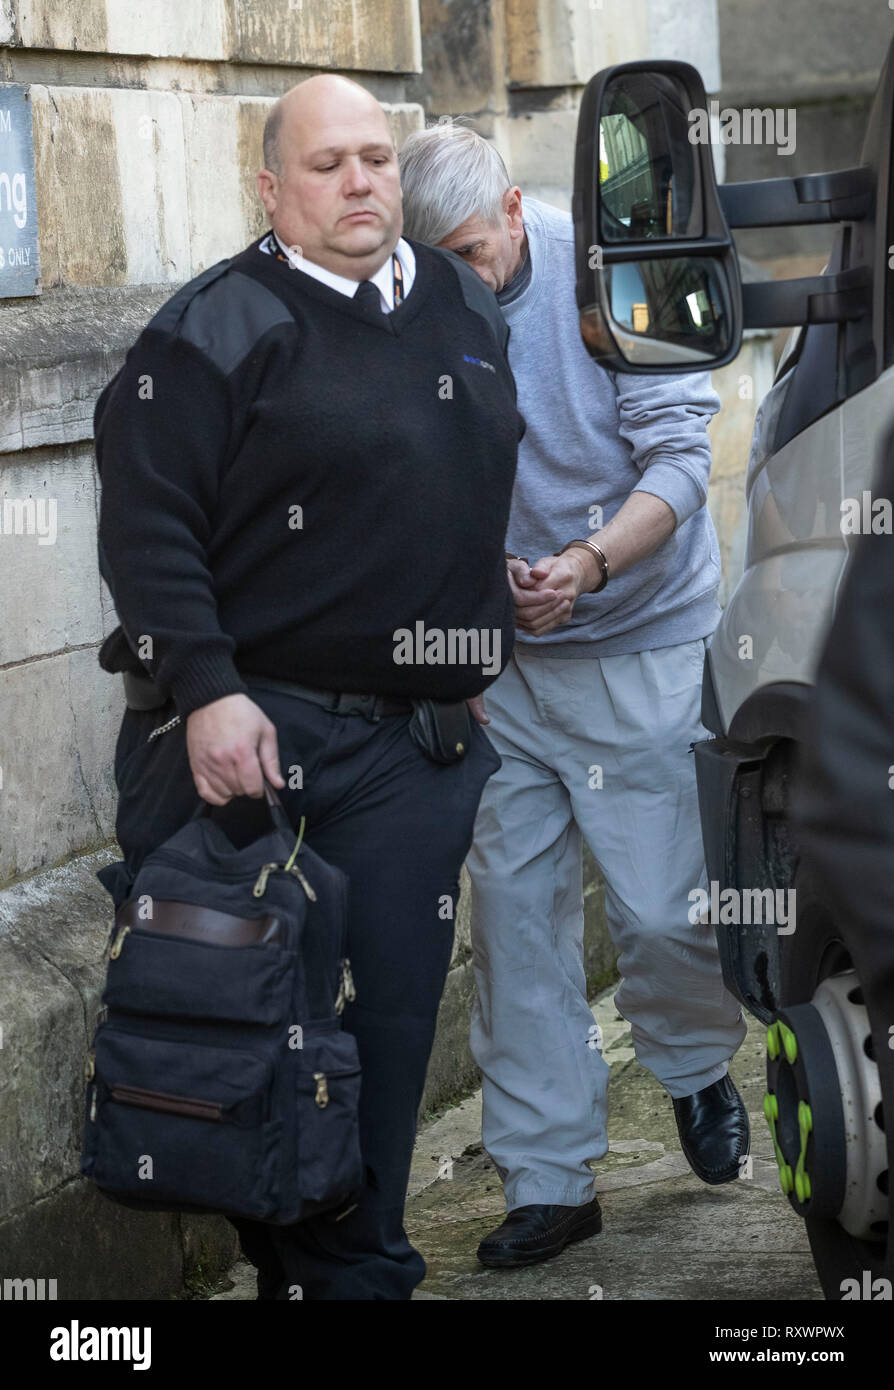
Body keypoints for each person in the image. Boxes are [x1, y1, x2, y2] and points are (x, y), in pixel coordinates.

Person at [93, 76, 524, 1300]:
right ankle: (303, 1265)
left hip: (415, 757)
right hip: (252, 737)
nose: (360, 184)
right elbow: (149, 530)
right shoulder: (212, 329)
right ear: (272, 188)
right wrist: (212, 689)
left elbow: (460, 484)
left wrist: (473, 638)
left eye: (377, 160)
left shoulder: (459, 302)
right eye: (327, 164)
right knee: (250, 1013)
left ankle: (361, 1263)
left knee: (387, 1028)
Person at [398, 122, 749, 1268]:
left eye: (469, 252)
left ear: (511, 209)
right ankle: (549, 1175)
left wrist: (589, 563)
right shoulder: (411, 294)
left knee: (659, 908)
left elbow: (683, 466)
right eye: (432, 260)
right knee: (513, 926)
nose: (457, 282)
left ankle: (695, 1068)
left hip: (638, 640)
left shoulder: (617, 271)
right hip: (502, 670)